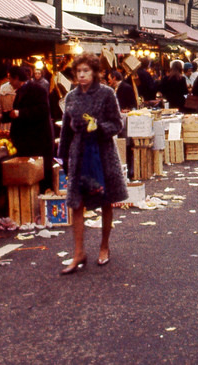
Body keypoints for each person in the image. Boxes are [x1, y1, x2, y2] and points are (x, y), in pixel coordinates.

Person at [59, 53, 128, 274]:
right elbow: (65, 129)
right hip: (79, 153)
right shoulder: (71, 97)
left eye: (86, 71)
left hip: (102, 152)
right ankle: (79, 252)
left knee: (106, 200)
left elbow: (117, 124)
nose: (81, 75)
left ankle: (104, 246)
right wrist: (62, 157)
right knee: (76, 203)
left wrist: (98, 126)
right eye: (78, 71)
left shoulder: (107, 94)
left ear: (95, 72)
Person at [6, 65, 56, 193]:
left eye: (10, 79)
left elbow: (42, 111)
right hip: (27, 143)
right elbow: (16, 113)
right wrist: (4, 117)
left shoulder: (37, 90)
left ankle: (44, 198)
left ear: (17, 78)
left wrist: (20, 113)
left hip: (38, 142)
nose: (9, 82)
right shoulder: (20, 92)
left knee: (41, 174)